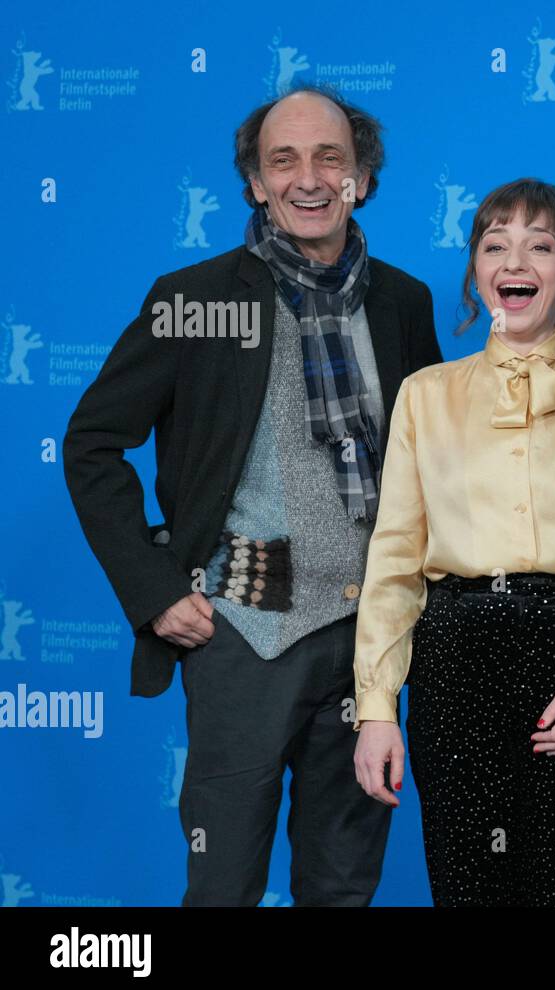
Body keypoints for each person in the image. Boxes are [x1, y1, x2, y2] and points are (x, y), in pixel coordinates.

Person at [63, 84, 441, 905]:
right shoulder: (192, 300)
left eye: (329, 158)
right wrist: (155, 589)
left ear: (361, 178)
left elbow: (428, 467)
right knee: (224, 882)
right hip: (239, 635)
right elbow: (92, 445)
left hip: (368, 643)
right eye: (284, 160)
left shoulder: (403, 303)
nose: (308, 178)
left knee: (343, 884)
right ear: (255, 183)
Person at [352, 178, 555, 907]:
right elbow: (394, 561)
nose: (517, 259)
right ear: (477, 270)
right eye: (495, 243)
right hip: (455, 661)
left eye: (541, 245)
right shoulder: (426, 393)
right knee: (469, 884)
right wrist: (378, 707)